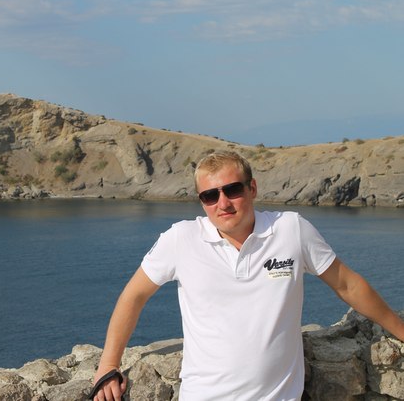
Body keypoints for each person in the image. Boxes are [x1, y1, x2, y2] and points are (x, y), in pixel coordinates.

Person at [91, 150, 404, 401]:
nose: (223, 203)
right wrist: (108, 365)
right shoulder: (180, 239)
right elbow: (134, 296)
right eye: (210, 196)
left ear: (252, 188)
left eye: (232, 190)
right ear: (201, 201)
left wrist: (401, 331)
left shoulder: (291, 229)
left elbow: (348, 285)